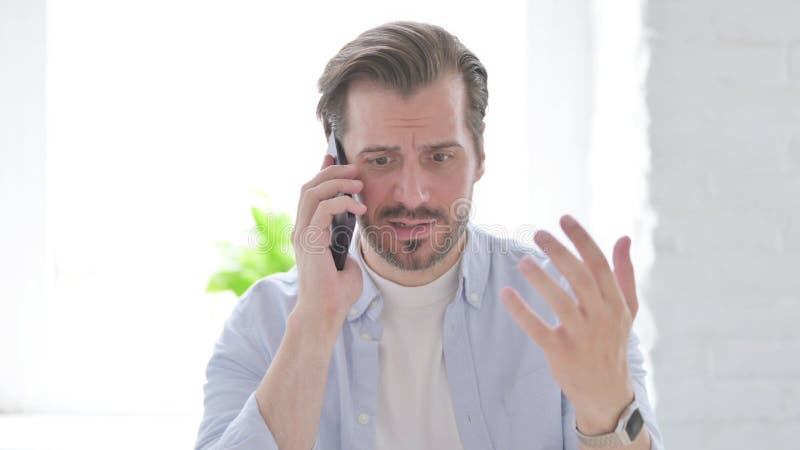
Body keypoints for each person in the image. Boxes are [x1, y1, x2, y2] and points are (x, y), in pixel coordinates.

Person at [195, 21, 663, 450]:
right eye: (381, 159)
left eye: (440, 157)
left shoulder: (570, 311)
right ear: (335, 165)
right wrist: (317, 320)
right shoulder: (264, 323)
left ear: (480, 155)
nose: (413, 194)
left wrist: (608, 413)